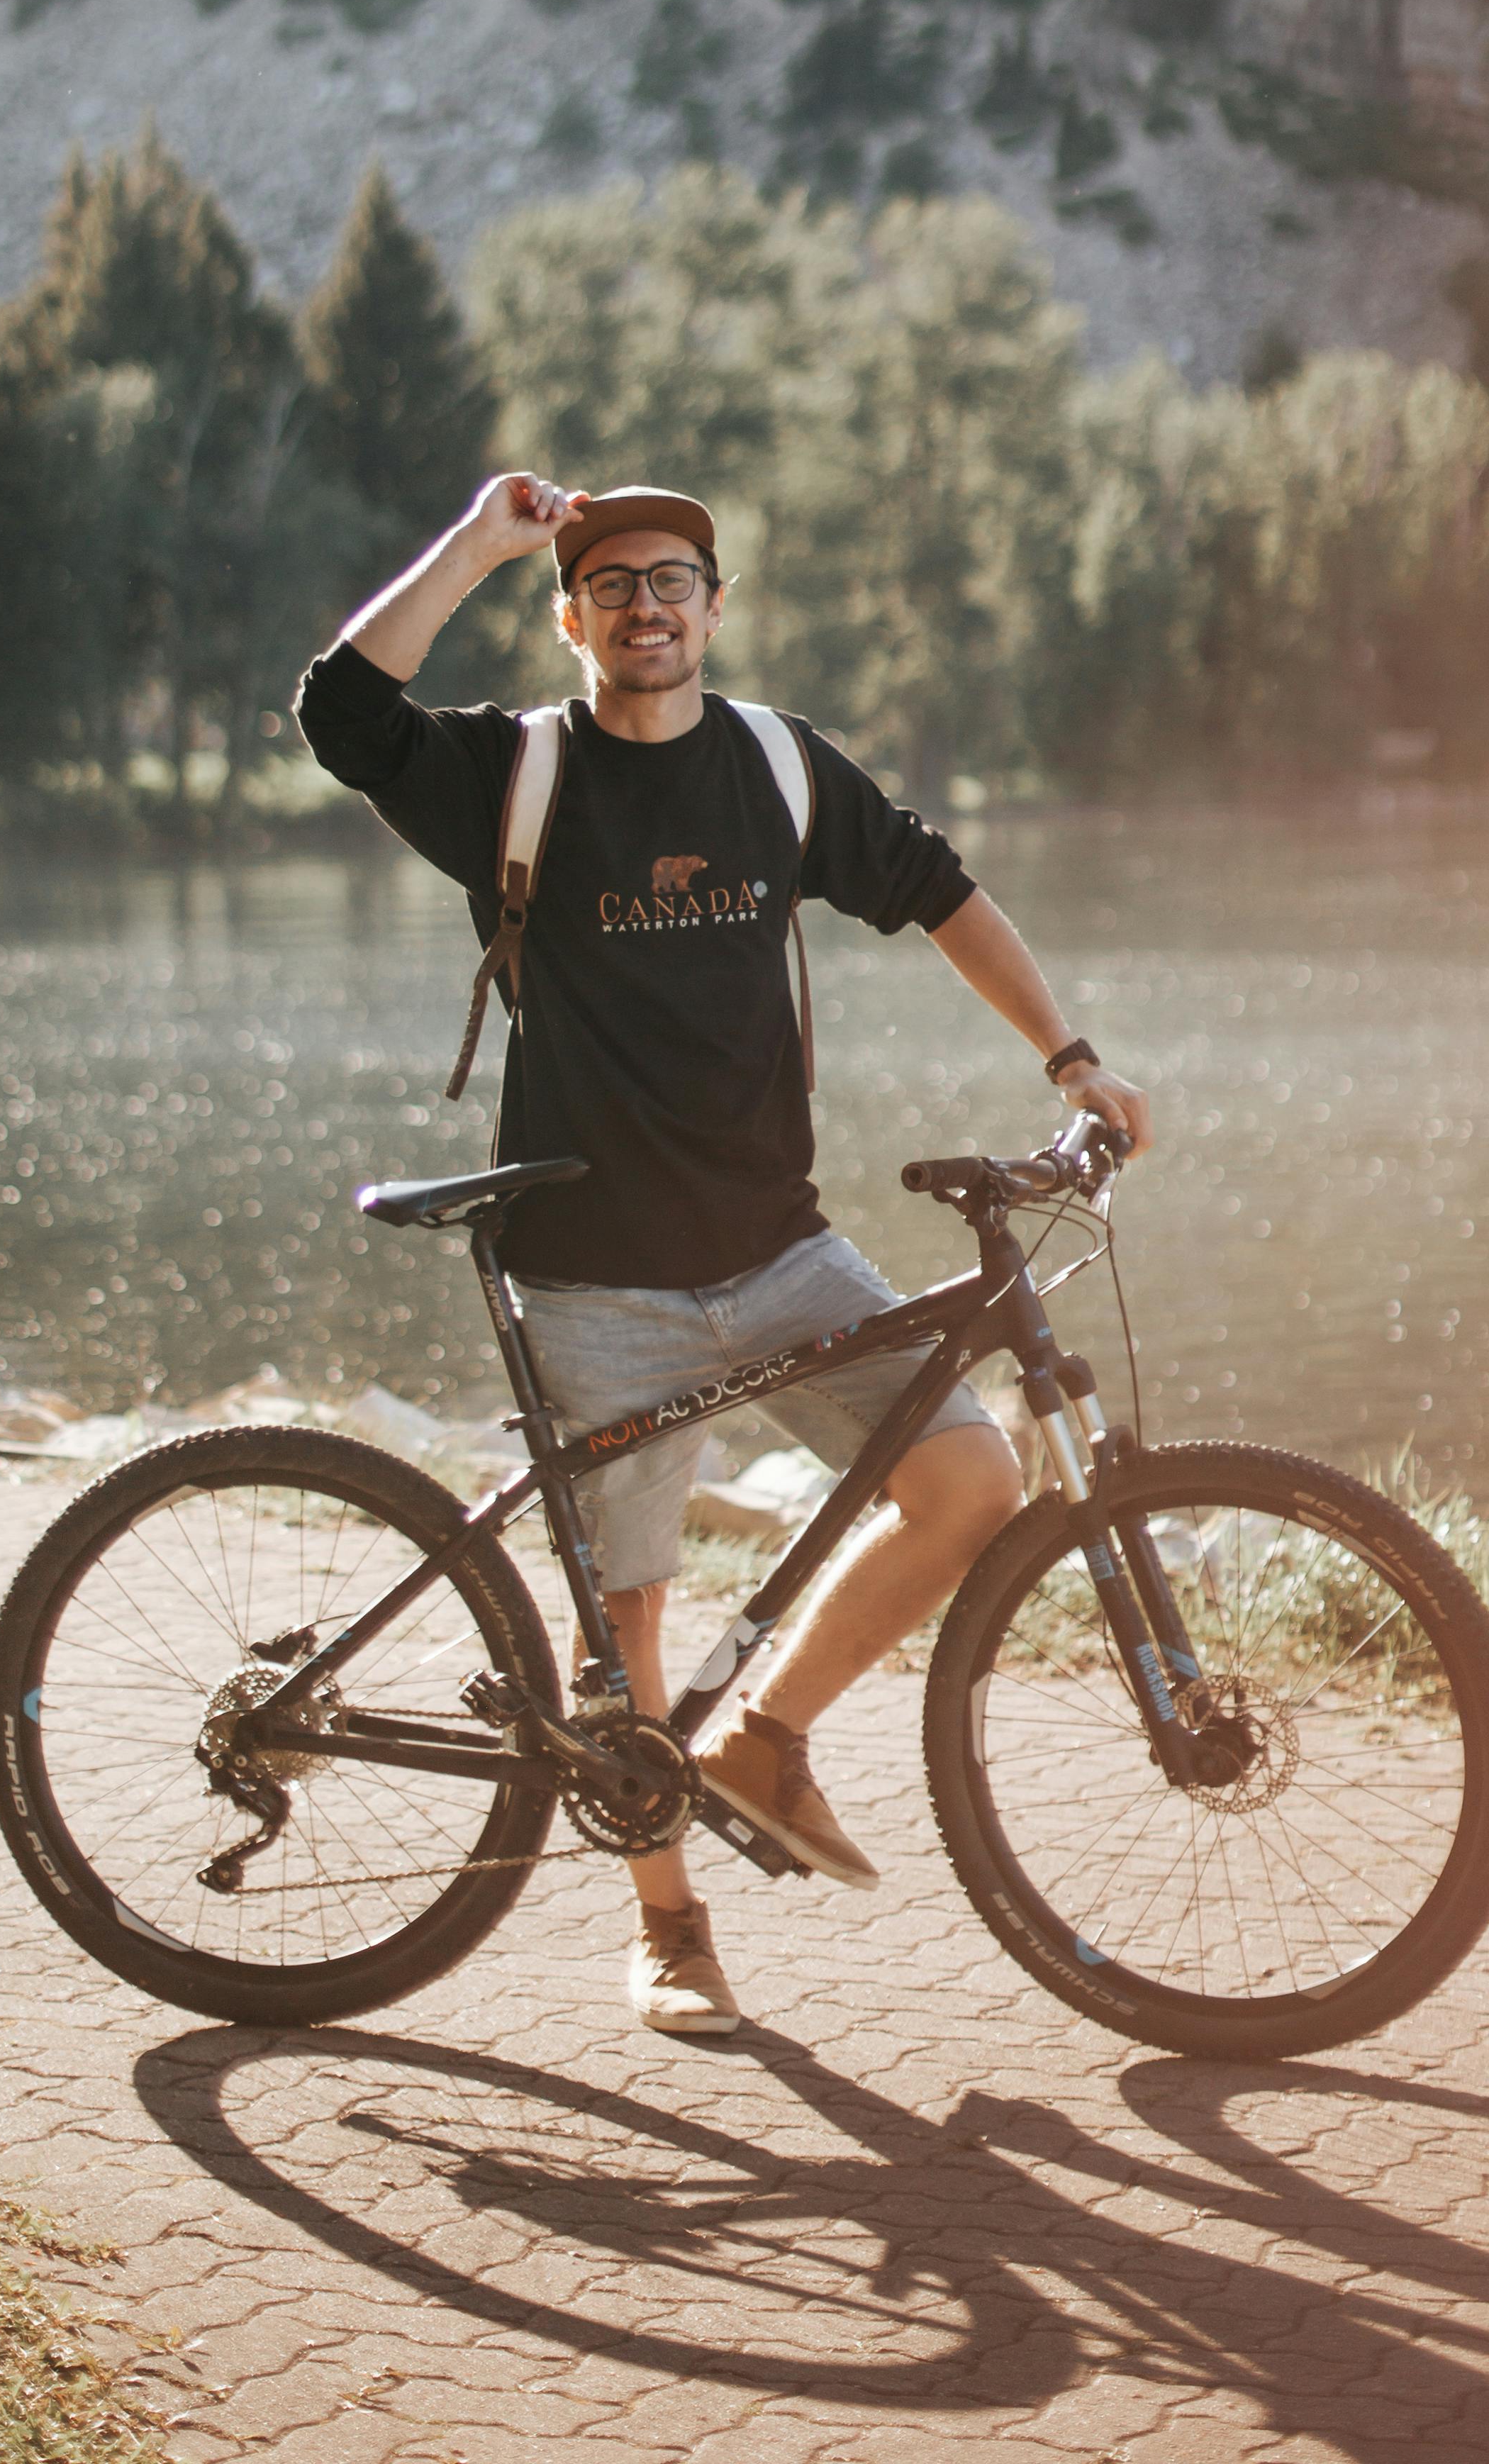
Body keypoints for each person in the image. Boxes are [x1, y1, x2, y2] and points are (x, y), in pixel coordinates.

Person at [294, 473, 1153, 2036]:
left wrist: (1070, 1056)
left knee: (971, 1480)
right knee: (626, 1636)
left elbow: (942, 891)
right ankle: (670, 1931)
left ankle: (764, 1739)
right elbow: (342, 710)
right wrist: (481, 542)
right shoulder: (519, 775)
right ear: (572, 620)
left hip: (781, 1256)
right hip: (590, 1277)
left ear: (714, 605)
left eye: (672, 578)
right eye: (609, 584)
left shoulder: (774, 767)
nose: (645, 605)